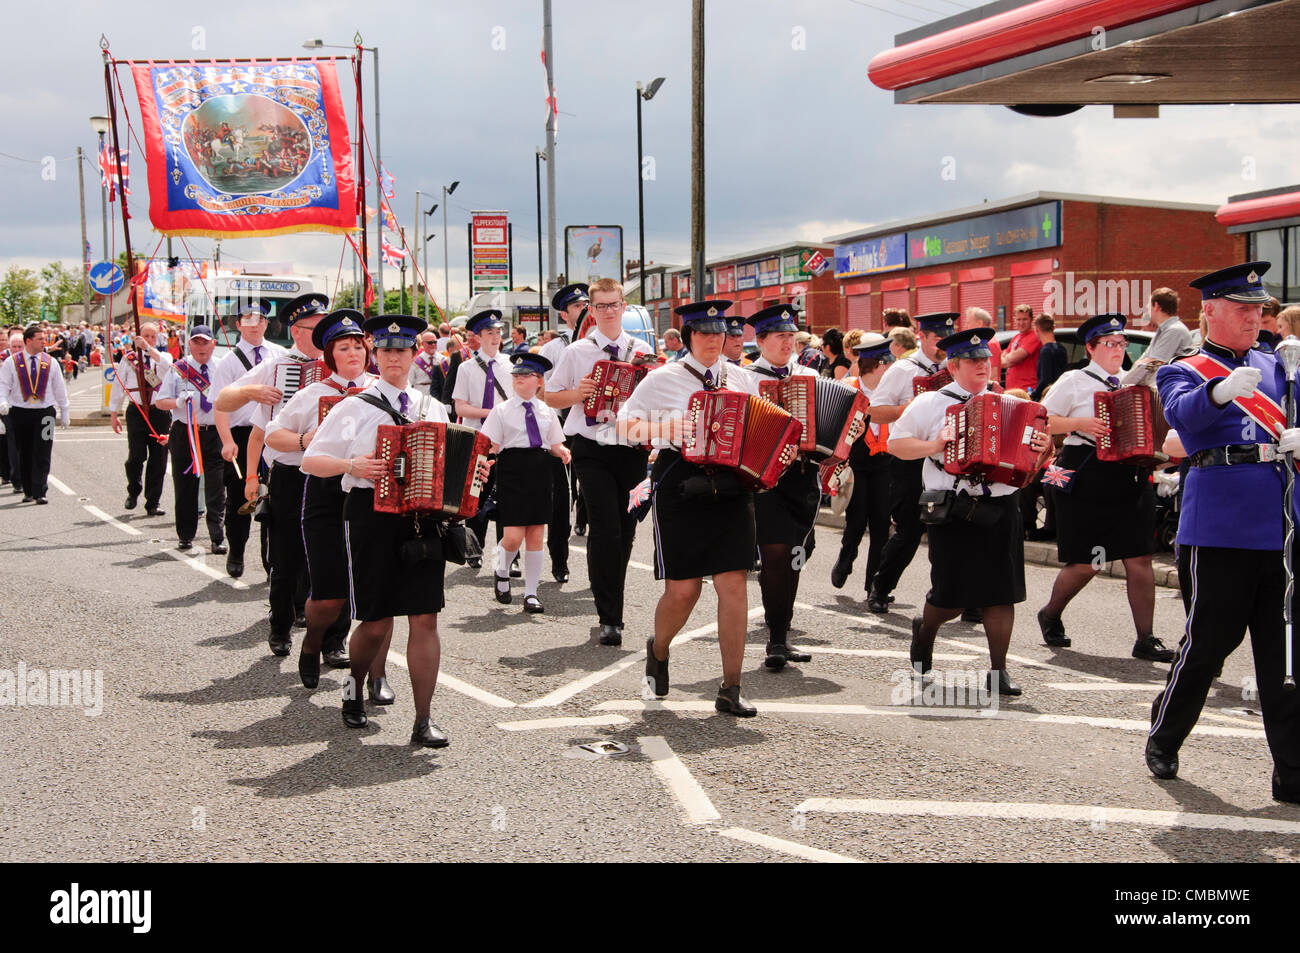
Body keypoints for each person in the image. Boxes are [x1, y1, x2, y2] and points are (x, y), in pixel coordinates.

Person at [1147, 261, 1300, 800]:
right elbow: (1182, 420)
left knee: (1284, 654)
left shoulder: (1279, 362)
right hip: (1219, 526)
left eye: (1259, 309)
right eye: (1242, 309)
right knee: (1210, 643)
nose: (1254, 317)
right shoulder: (1185, 367)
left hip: (1281, 527)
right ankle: (1165, 735)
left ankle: (1292, 771)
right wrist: (1219, 392)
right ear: (1210, 312)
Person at [302, 314, 467, 748]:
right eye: (387, 351)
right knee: (375, 623)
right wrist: (352, 465)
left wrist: (473, 471)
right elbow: (311, 461)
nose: (395, 358)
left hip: (423, 519)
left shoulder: (433, 407)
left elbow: (449, 462)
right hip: (371, 516)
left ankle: (423, 719)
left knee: (425, 618)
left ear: (416, 355)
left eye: (403, 350)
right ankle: (355, 683)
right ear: (377, 355)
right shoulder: (355, 405)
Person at [617, 299, 761, 716]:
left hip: (732, 487)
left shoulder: (741, 378)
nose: (713, 341)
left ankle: (731, 686)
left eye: (721, 334)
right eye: (705, 333)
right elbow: (624, 425)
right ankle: (659, 650)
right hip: (681, 484)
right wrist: (664, 428)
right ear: (689, 337)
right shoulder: (663, 378)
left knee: (732, 583)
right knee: (684, 590)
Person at [889, 327, 1051, 696]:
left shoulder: (1010, 402)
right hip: (954, 509)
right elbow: (897, 444)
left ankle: (998, 671)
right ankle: (925, 631)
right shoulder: (931, 402)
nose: (983, 366)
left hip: (1001, 504)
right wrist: (935, 443)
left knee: (1001, 592)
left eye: (986, 360)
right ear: (954, 365)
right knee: (950, 597)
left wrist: (1042, 445)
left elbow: (1032, 455)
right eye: (974, 361)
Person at [265, 309, 391, 698]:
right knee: (328, 587)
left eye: (359, 345)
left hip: (370, 491)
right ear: (329, 355)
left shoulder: (384, 390)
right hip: (324, 491)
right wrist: (309, 439)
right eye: (344, 347)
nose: (354, 353)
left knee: (375, 586)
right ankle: (312, 640)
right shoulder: (313, 394)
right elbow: (274, 436)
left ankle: (365, 665)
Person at [1037, 313, 1173, 663]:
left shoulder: (1131, 383)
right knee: (1088, 563)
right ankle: (1050, 613)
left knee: (1139, 556)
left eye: (1122, 343)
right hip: (1088, 474)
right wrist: (1079, 422)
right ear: (1091, 348)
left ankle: (1145, 638)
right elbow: (1040, 419)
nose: (1118, 349)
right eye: (1110, 344)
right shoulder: (1075, 379)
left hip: (1129, 475)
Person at [233, 293, 349, 663]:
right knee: (286, 557)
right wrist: (252, 475)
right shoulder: (277, 367)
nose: (325, 336)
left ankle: (334, 638)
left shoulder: (350, 375)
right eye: (318, 329)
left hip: (335, 474)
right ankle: (280, 624)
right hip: (290, 473)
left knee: (336, 558)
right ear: (297, 332)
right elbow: (253, 426)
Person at [545, 277, 655, 643]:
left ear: (624, 307)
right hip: (591, 449)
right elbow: (551, 397)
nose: (609, 311)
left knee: (626, 530)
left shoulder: (642, 350)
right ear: (592, 311)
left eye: (615, 304)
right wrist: (579, 392)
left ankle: (607, 589)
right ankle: (611, 616)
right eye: (602, 306)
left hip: (632, 449)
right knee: (605, 527)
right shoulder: (578, 351)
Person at [858, 312, 956, 613]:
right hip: (911, 456)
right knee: (910, 530)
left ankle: (959, 594)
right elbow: (874, 411)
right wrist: (909, 408)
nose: (942, 343)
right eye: (937, 337)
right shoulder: (903, 369)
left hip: (947, 458)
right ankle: (881, 586)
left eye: (946, 337)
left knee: (950, 526)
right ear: (921, 337)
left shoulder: (956, 366)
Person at [744, 303, 822, 669]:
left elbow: (830, 424)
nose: (788, 342)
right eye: (780, 336)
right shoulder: (743, 377)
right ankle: (775, 639)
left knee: (795, 556)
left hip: (803, 478)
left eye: (791, 336)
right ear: (760, 341)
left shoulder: (810, 374)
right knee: (774, 555)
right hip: (764, 479)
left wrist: (843, 441)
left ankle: (782, 632)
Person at [483, 352, 570, 612]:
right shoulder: (501, 411)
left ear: (539, 381)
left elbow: (554, 442)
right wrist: (485, 460)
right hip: (512, 471)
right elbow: (491, 445)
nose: (518, 379)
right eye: (516, 376)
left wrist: (562, 450)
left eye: (525, 375)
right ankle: (501, 569)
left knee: (535, 534)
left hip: (540, 472)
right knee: (512, 536)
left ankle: (531, 593)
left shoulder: (546, 411)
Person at [210, 300, 285, 578]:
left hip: (273, 432)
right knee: (239, 499)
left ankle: (272, 562)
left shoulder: (280, 354)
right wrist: (227, 441)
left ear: (267, 323)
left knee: (274, 497)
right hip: (242, 436)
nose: (256, 324)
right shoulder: (228, 362)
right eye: (248, 319)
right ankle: (237, 551)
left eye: (261, 319)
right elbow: (219, 405)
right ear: (238, 324)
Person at [830, 333, 896, 593]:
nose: (892, 369)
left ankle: (874, 586)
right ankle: (845, 560)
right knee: (856, 521)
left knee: (881, 524)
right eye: (888, 364)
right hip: (855, 465)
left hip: (884, 463)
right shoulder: (848, 387)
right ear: (878, 365)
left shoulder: (892, 393)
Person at [153, 326, 225, 550]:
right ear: (189, 344)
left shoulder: (223, 368)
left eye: (205, 342)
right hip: (185, 432)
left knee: (216, 487)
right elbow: (160, 401)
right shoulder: (178, 369)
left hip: (215, 432)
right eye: (197, 342)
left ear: (213, 344)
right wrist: (177, 402)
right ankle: (185, 534)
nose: (201, 347)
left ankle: (217, 537)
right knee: (185, 485)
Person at [452, 309, 515, 565]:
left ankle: (509, 554)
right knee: (476, 494)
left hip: (505, 439)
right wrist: (492, 413)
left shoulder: (511, 366)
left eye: (498, 332)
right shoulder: (466, 368)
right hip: (477, 437)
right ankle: (474, 549)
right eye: (490, 333)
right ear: (477, 337)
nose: (495, 337)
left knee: (507, 496)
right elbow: (461, 407)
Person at [539, 283, 591, 581]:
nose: (583, 309)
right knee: (561, 497)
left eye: (586, 304)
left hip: (597, 427)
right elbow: (542, 391)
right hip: (561, 427)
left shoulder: (599, 343)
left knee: (595, 495)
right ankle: (560, 559)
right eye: (576, 306)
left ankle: (602, 564)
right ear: (565, 313)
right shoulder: (553, 348)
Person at [0, 323, 70, 503]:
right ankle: (28, 490)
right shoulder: (11, 362)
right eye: (40, 339)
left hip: (45, 412)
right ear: (28, 341)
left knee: (43, 450)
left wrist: (64, 410)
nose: (44, 342)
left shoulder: (51, 361)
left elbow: (59, 387)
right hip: (20, 412)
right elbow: (3, 385)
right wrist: (2, 402)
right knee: (24, 451)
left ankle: (41, 491)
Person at [109, 322, 173, 516]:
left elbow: (168, 367)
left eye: (153, 336)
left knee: (159, 459)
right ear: (138, 336)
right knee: (136, 456)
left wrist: (149, 349)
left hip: (159, 413)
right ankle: (133, 491)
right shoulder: (129, 359)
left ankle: (153, 501)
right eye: (145, 336)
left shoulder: (164, 356)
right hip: (137, 412)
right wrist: (114, 414)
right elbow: (118, 387)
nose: (149, 339)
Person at [1138, 287, 1196, 367]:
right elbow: (1144, 360)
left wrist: (1126, 378)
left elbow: (1152, 363)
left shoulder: (1175, 330)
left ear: (1156, 306)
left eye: (1148, 306)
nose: (1147, 309)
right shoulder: (1164, 330)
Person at [1001, 304, 1041, 394]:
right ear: (1014, 320)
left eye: (1025, 319)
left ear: (1031, 319)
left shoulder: (1034, 337)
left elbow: (1011, 359)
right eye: (1018, 319)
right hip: (1012, 391)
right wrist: (1007, 359)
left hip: (1027, 390)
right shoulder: (1016, 337)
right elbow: (1002, 362)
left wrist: (1007, 358)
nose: (1021, 323)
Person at [1029, 314, 1067, 402]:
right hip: (1061, 394)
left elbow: (1045, 379)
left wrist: (1033, 395)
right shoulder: (1062, 348)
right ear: (1054, 327)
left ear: (1037, 330)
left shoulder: (1045, 351)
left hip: (1048, 396)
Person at [410, 330, 450, 404]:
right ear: (423, 344)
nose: (433, 345)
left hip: (439, 398)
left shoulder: (443, 360)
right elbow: (410, 382)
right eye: (430, 343)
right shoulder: (416, 361)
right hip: (421, 397)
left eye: (435, 342)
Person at [963, 308, 1003, 378]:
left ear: (979, 323)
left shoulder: (990, 344)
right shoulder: (982, 343)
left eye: (968, 323)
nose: (966, 326)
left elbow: (993, 375)